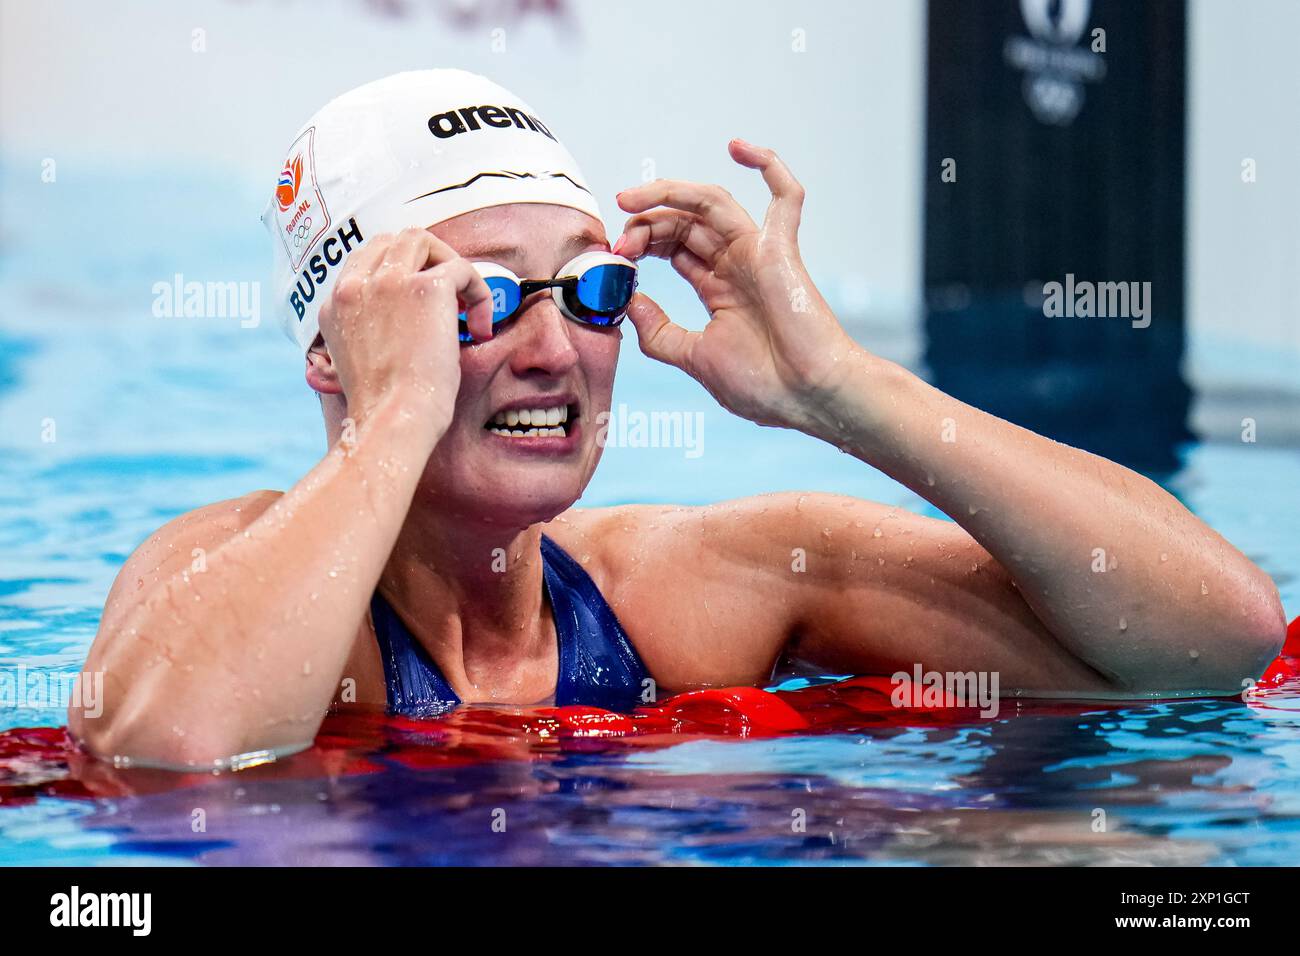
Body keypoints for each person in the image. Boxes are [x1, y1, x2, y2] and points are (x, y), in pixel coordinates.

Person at [71, 70, 1285, 769]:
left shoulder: (689, 588)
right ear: (334, 352)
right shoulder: (213, 573)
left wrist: (842, 393)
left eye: (591, 288)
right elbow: (168, 753)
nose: (557, 349)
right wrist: (394, 419)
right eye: (478, 298)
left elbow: (1210, 640)